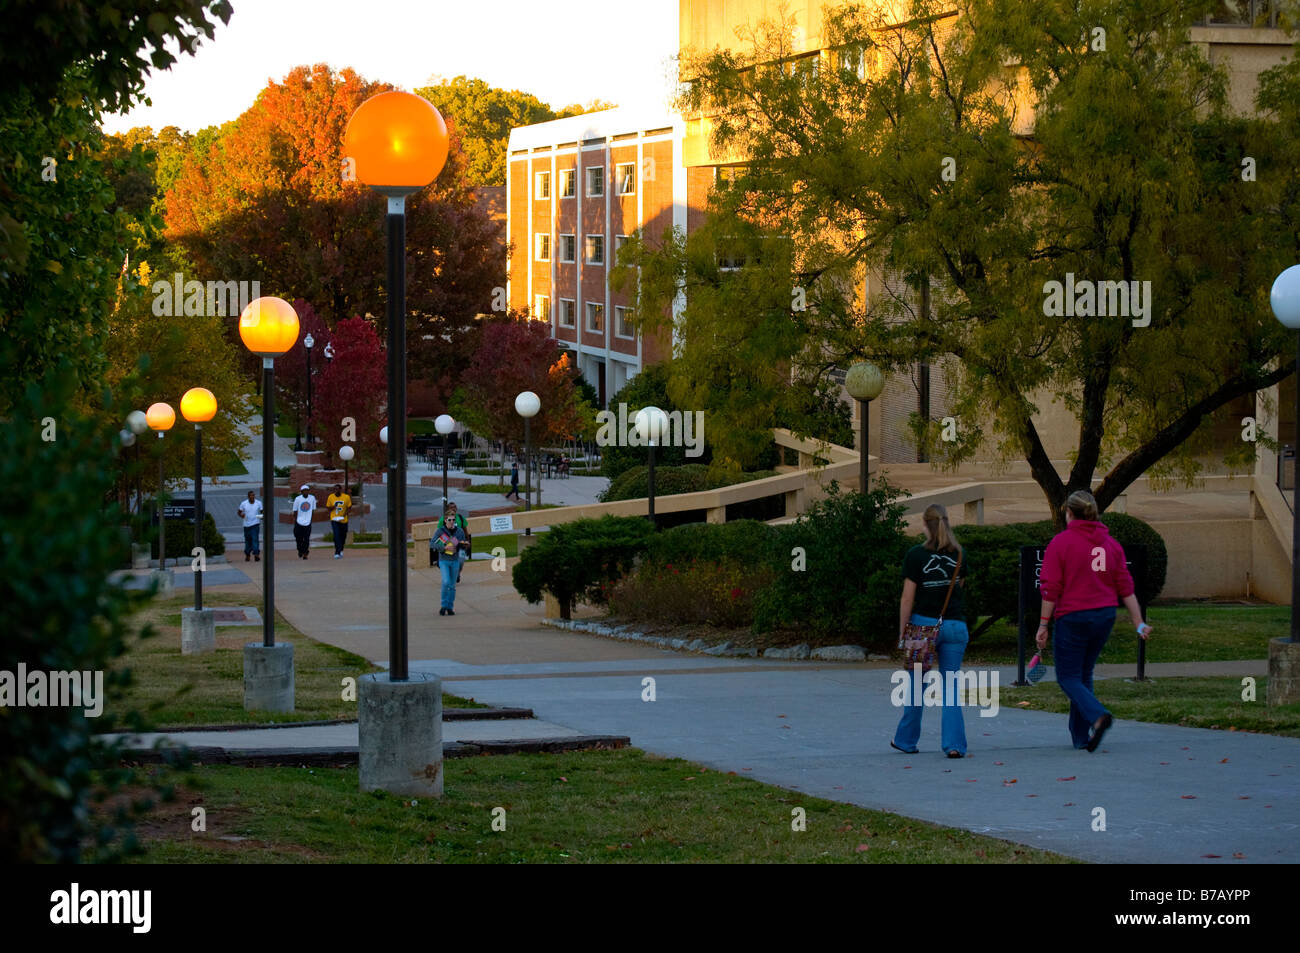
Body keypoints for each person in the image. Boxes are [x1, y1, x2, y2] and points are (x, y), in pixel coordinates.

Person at [1037, 490, 1153, 752]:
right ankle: (1080, 737)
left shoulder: (1062, 543)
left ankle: (1098, 716)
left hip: (1074, 615)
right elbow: (1126, 588)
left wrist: (1043, 624)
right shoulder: (1110, 545)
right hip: (1104, 615)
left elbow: (1050, 588)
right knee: (1083, 674)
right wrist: (1138, 623)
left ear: (1069, 513)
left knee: (1067, 676)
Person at [892, 503, 969, 758]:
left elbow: (907, 598)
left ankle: (906, 740)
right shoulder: (959, 554)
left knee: (916, 686)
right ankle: (954, 744)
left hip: (923, 628)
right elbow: (959, 589)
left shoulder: (915, 555)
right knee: (951, 687)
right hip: (956, 626)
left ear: (925, 525)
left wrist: (903, 632)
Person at [432, 509, 469, 615]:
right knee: (446, 582)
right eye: (450, 520)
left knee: (452, 585)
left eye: (453, 520)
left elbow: (462, 543)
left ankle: (450, 607)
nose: (452, 522)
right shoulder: (440, 531)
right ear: (445, 520)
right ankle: (443, 605)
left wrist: (464, 545)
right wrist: (444, 548)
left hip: (455, 561)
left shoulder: (459, 531)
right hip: (444, 561)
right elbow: (432, 544)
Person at [437, 502, 471, 583]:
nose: (453, 508)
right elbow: (440, 532)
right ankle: (451, 575)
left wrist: (467, 541)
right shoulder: (443, 519)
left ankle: (457, 574)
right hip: (448, 544)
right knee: (447, 562)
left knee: (461, 561)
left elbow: (465, 530)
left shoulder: (460, 518)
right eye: (451, 507)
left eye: (455, 507)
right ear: (448, 509)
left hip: (460, 543)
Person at [291, 484, 317, 559]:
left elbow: (312, 510)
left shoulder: (312, 498)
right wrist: (296, 521)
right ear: (301, 492)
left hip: (308, 522)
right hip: (299, 521)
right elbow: (295, 511)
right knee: (298, 538)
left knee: (306, 538)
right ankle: (300, 550)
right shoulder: (297, 499)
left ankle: (305, 552)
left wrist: (311, 519)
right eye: (304, 490)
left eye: (307, 490)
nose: (306, 492)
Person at [326, 483, 351, 559]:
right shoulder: (331, 497)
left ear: (340, 489)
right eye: (335, 489)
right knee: (336, 535)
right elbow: (328, 508)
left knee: (343, 536)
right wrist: (332, 507)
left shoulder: (346, 497)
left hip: (343, 519)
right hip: (334, 519)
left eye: (337, 489)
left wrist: (345, 514)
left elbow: (349, 507)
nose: (336, 491)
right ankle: (337, 552)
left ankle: (341, 549)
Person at [237, 490, 263, 562]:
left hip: (255, 524)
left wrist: (259, 517)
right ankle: (247, 554)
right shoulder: (244, 503)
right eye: (251, 495)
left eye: (253, 495)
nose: (252, 497)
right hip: (246, 524)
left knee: (255, 539)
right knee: (248, 540)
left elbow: (262, 512)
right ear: (248, 497)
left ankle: (256, 554)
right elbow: (239, 512)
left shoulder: (258, 503)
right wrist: (242, 516)